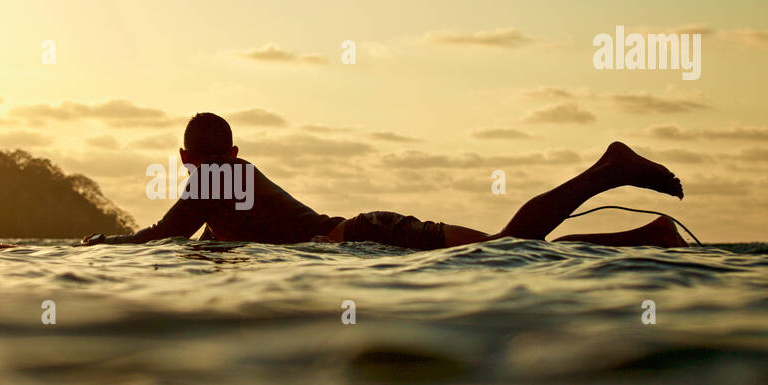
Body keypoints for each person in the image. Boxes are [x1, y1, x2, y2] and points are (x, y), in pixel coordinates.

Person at [82, 112, 687, 250]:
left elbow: (158, 240)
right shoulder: (234, 176)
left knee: (511, 250)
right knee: (515, 252)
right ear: (236, 148)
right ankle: (648, 236)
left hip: (369, 240)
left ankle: (608, 171)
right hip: (371, 230)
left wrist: (92, 246)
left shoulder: (207, 185)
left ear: (183, 158)